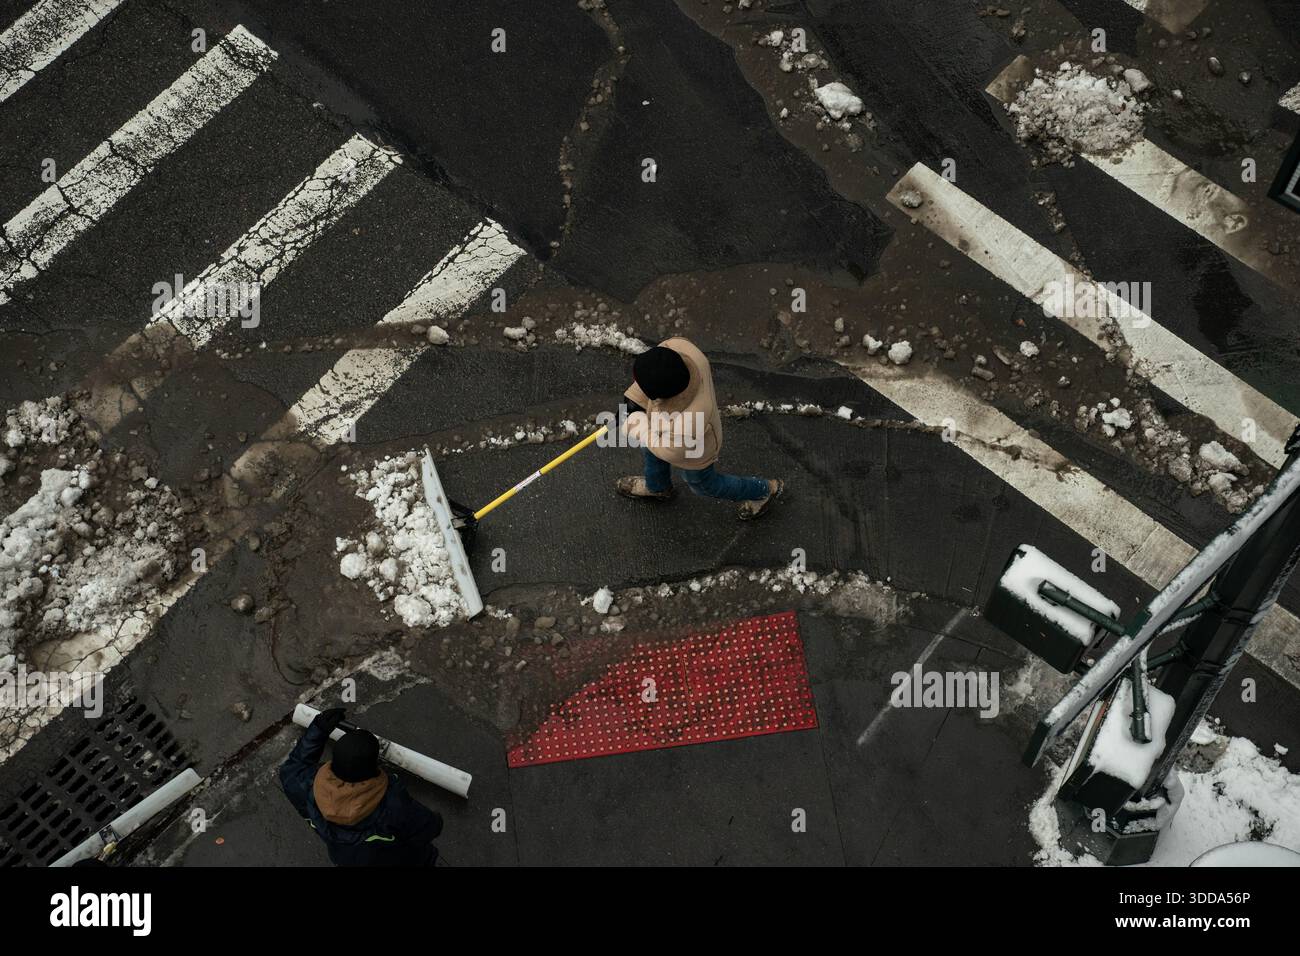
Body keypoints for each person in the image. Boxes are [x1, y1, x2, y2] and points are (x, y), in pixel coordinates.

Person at [616, 337, 783, 519]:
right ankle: (657, 487)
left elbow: (669, 451)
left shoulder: (690, 421)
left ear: (658, 395)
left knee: (702, 484)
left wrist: (637, 427)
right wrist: (634, 401)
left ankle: (763, 490)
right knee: (650, 450)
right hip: (663, 429)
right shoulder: (679, 349)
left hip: (696, 449)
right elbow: (653, 371)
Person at [279, 707, 442, 866]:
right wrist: (436, 820)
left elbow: (294, 766)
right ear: (374, 768)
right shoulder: (391, 804)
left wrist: (319, 729)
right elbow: (428, 828)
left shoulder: (302, 784)